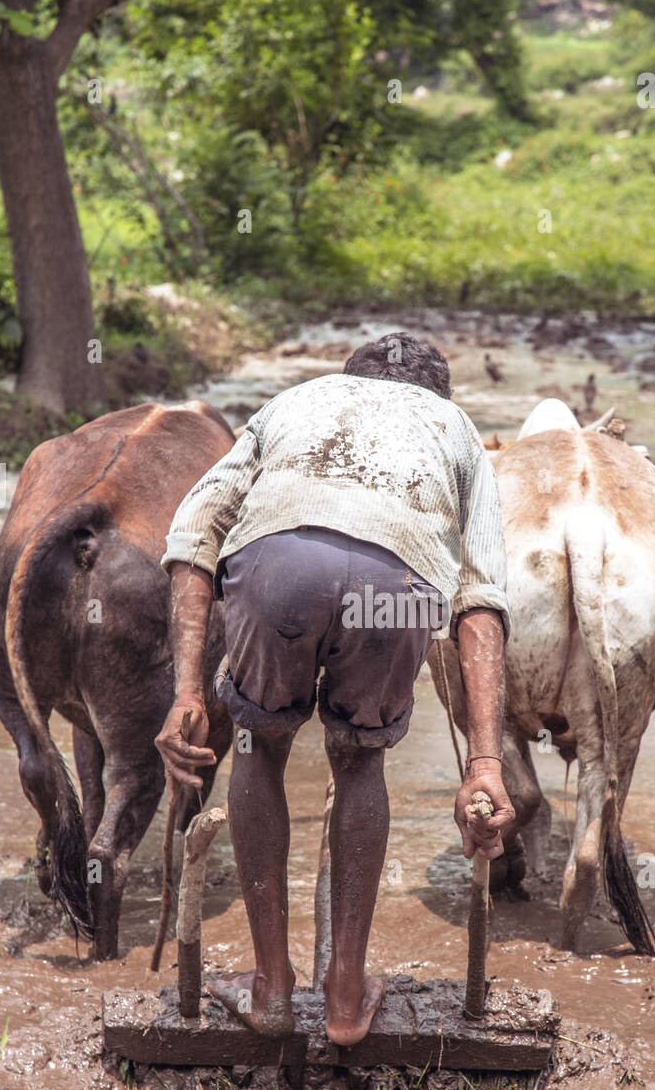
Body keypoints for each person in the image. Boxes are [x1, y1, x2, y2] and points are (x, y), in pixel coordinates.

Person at [155, 333, 514, 1046]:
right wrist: (485, 765)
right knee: (361, 761)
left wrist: (187, 690)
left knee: (256, 747)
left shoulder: (297, 398)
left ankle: (271, 990)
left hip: (278, 568)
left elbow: (194, 531)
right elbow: (480, 599)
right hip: (397, 586)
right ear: (434, 396)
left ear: (347, 380)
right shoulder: (455, 430)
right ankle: (347, 997)